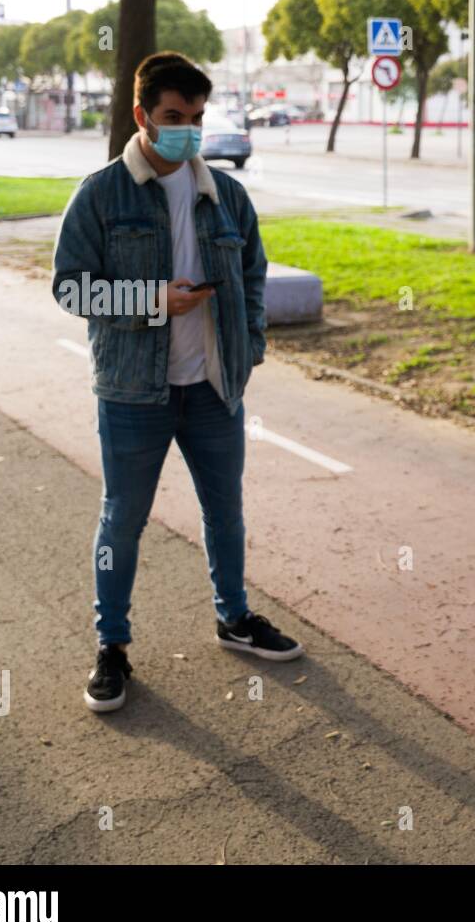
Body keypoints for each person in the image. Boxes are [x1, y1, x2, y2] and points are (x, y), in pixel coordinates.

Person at [53, 52, 303, 715]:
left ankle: (235, 618)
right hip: (134, 392)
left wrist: (248, 347)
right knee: (123, 521)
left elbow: (253, 274)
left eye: (195, 118)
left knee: (226, 511)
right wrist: (151, 299)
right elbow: (70, 287)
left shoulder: (225, 194)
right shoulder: (100, 194)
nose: (187, 130)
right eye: (173, 117)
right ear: (142, 116)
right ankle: (112, 647)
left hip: (215, 387)